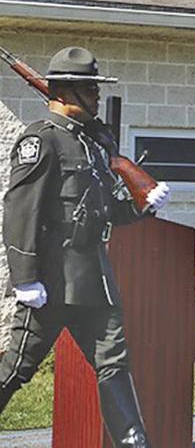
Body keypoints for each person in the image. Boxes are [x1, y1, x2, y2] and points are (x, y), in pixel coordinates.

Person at [0, 47, 171, 445]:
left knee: (114, 363)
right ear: (69, 92)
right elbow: (20, 212)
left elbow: (104, 210)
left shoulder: (91, 144)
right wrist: (26, 279)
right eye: (91, 89)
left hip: (94, 279)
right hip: (51, 281)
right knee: (17, 368)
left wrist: (142, 205)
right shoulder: (41, 140)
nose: (97, 97)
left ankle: (134, 442)